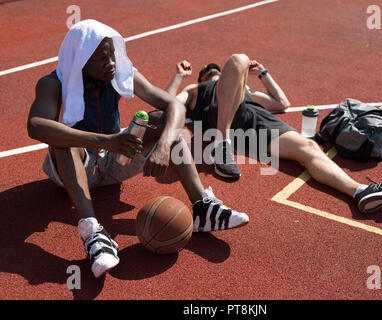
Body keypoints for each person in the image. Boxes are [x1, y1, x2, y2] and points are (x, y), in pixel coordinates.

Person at [26, 20, 249, 278]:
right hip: (77, 165)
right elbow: (36, 126)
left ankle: (203, 208)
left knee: (163, 121)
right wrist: (106, 141)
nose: (111, 62)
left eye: (112, 55)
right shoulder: (53, 83)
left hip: (115, 156)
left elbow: (174, 106)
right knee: (62, 141)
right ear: (81, 60)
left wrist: (164, 145)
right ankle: (93, 232)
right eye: (101, 58)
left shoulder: (120, 71)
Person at [165, 54, 382, 216]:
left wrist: (263, 73)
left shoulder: (246, 89)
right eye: (207, 71)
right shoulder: (196, 89)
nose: (211, 71)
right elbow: (167, 104)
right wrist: (179, 77)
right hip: (222, 124)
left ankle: (361, 191)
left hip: (258, 125)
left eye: (215, 70)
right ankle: (222, 143)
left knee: (308, 148)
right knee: (239, 58)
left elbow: (281, 103)